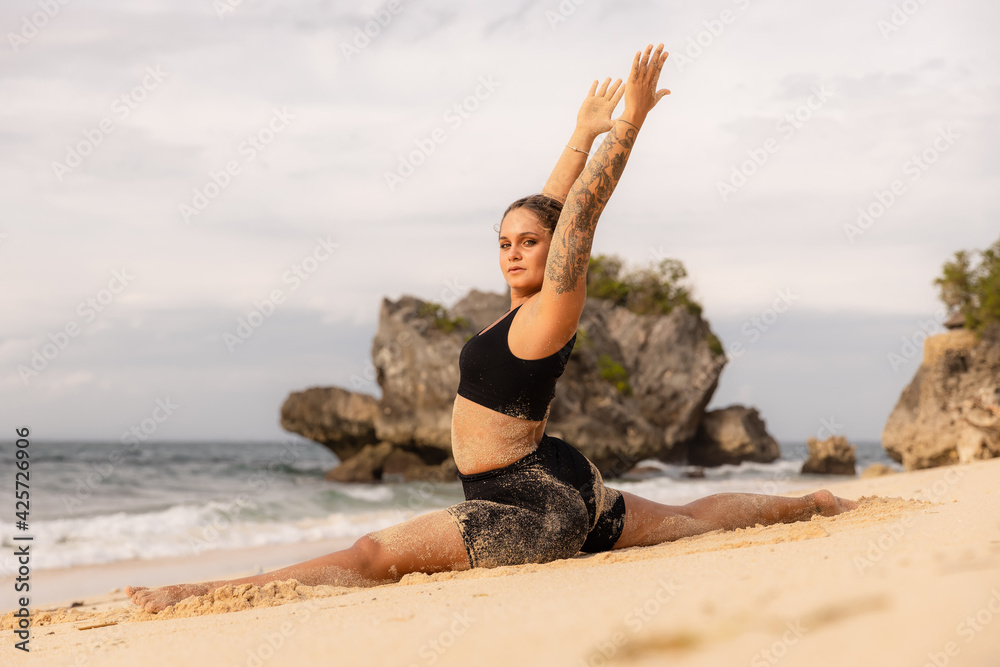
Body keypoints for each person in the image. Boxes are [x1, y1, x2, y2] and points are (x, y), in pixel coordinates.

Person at [127, 44, 856, 613]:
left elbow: (576, 216)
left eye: (528, 243)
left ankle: (197, 592)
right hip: (559, 476)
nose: (514, 250)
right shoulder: (521, 306)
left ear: (554, 252)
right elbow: (552, 206)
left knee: (374, 554)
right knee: (690, 521)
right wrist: (579, 134)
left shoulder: (553, 308)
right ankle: (814, 503)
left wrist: (629, 124)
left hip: (525, 502)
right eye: (504, 240)